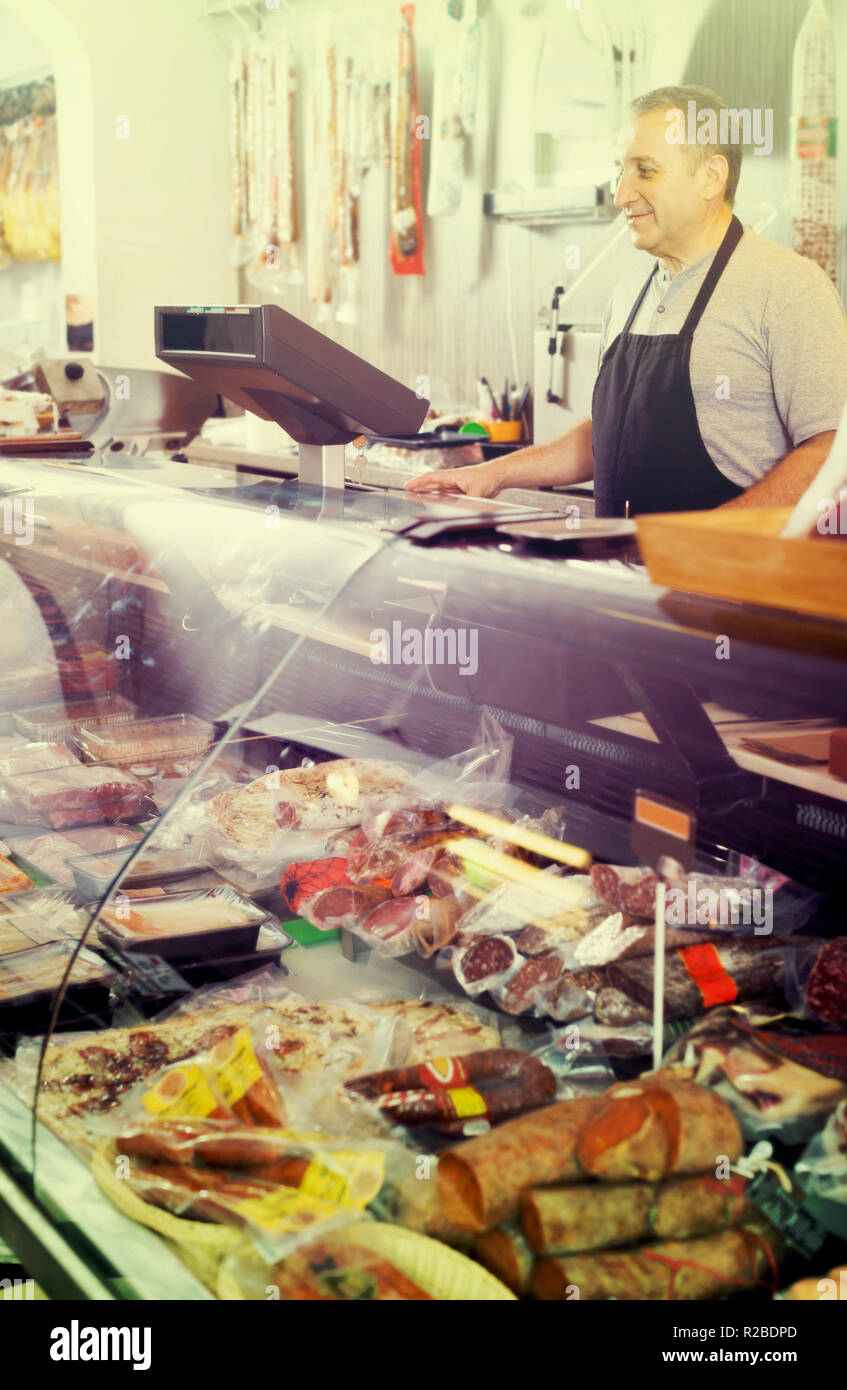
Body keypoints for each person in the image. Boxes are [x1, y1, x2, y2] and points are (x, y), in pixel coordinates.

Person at [406, 84, 847, 517]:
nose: (621, 194)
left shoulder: (790, 289)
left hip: (731, 581)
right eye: (621, 169)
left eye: (645, 170)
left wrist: (714, 541)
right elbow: (607, 440)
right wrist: (494, 473)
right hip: (627, 579)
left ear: (711, 177)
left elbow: (833, 451)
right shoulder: (628, 292)